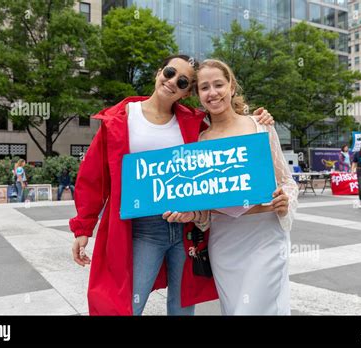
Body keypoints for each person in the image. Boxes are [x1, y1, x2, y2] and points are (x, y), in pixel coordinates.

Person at [69, 54, 274, 316]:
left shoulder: (193, 123)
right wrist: (83, 227)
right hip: (143, 230)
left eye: (183, 81)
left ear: (187, 93)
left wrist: (257, 119)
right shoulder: (121, 118)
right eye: (169, 72)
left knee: (182, 310)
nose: (172, 81)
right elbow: (93, 176)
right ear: (158, 72)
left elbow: (227, 131)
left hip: (186, 230)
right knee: (128, 306)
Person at [163, 59, 298, 315]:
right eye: (204, 87)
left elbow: (286, 181)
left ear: (232, 86)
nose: (212, 93)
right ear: (198, 95)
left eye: (218, 84)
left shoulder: (260, 126)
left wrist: (285, 200)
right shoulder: (199, 140)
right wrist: (189, 214)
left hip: (265, 238)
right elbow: (205, 208)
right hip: (225, 241)